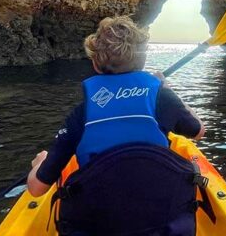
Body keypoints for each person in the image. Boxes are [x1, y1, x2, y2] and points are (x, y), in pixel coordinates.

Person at [26, 15, 206, 235]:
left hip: (98, 226)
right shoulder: (162, 98)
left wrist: (40, 163)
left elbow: (36, 189)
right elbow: (198, 131)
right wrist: (166, 88)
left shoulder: (80, 115)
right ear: (142, 60)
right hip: (159, 225)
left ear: (95, 63)